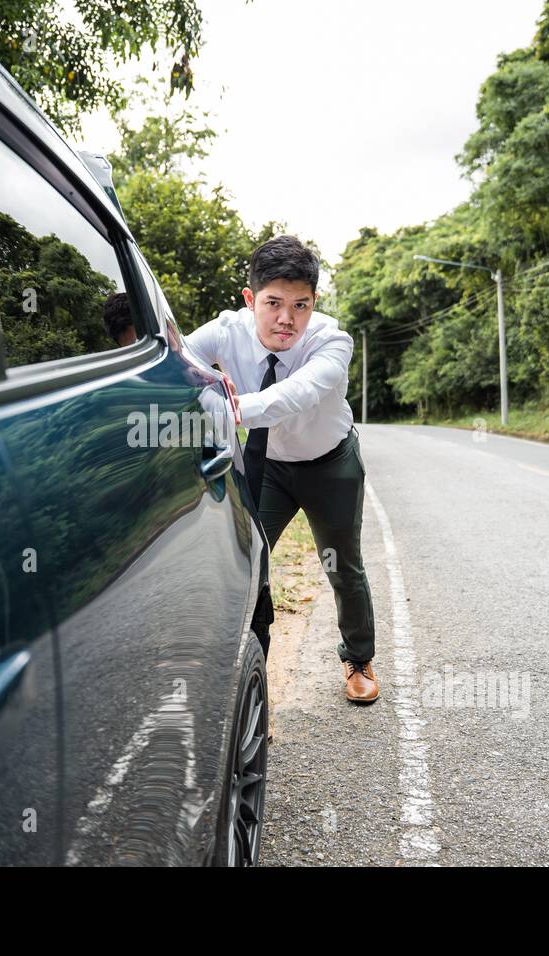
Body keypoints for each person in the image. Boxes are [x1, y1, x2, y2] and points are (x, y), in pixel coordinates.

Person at [185, 235, 379, 703]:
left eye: (301, 305)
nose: (286, 319)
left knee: (343, 565)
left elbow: (295, 395)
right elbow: (175, 363)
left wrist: (230, 408)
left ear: (314, 304)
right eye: (273, 303)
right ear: (250, 299)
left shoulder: (332, 341)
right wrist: (198, 386)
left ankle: (358, 656)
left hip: (331, 464)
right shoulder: (225, 331)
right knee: (248, 563)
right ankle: (251, 683)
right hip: (270, 467)